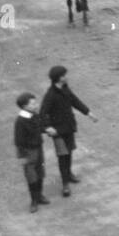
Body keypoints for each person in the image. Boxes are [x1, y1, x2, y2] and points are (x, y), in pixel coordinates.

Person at [40, 65, 98, 196]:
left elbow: (75, 101)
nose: (66, 77)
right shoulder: (50, 95)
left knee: (69, 152)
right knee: (62, 156)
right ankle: (65, 184)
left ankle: (69, 174)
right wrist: (48, 128)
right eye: (64, 75)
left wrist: (88, 113)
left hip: (69, 128)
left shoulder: (66, 89)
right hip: (58, 132)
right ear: (59, 78)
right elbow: (43, 113)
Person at [14, 93, 55, 213]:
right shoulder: (20, 121)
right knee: (31, 176)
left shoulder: (34, 115)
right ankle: (34, 200)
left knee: (40, 172)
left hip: (38, 148)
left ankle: (39, 196)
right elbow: (18, 140)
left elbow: (39, 127)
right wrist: (22, 156)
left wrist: (46, 129)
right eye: (33, 103)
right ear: (24, 106)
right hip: (28, 152)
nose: (36, 105)